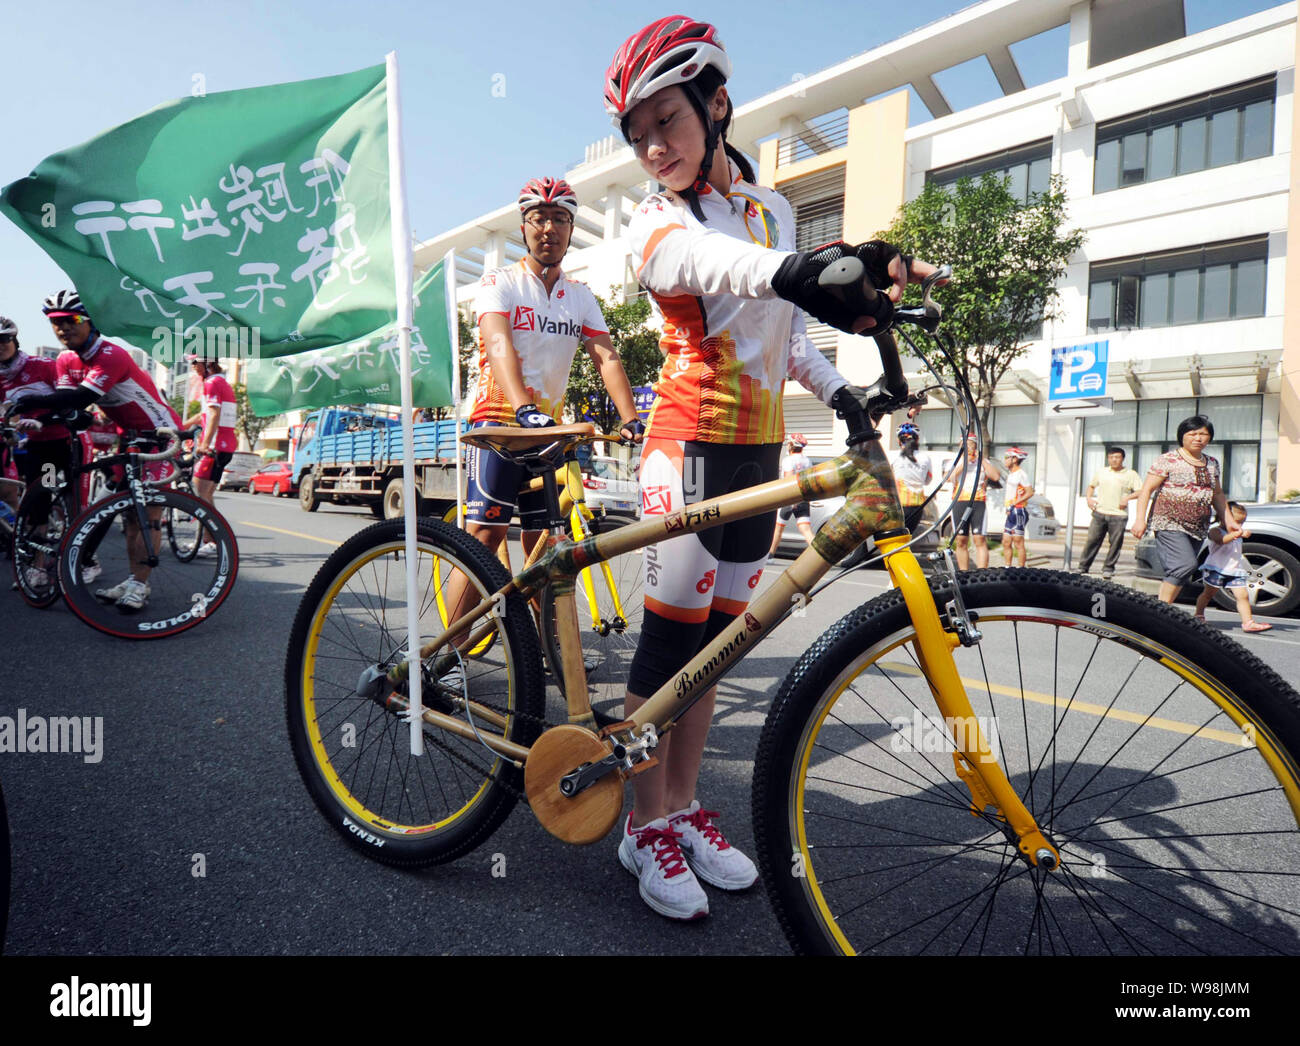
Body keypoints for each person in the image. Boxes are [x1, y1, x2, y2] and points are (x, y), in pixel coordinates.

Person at [604, 14, 945, 920]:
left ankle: (679, 805)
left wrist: (841, 391)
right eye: (637, 134)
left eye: (666, 121)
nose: (652, 147)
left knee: (719, 652)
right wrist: (798, 268)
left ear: (717, 105)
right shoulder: (656, 222)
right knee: (670, 644)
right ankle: (644, 826)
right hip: (685, 448)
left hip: (758, 450)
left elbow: (785, 337)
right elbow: (724, 266)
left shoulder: (771, 208)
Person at [442, 178, 645, 655]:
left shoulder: (580, 296)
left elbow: (607, 358)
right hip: (497, 424)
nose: (548, 228)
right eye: (539, 218)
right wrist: (523, 407)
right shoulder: (501, 283)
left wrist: (631, 417)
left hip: (547, 433)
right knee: (486, 535)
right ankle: (447, 654)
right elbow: (497, 346)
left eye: (559, 219)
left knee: (545, 546)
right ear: (524, 226)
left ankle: (553, 654)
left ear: (572, 228)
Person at [12, 291, 182, 610]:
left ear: (90, 322)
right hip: (128, 437)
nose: (63, 329)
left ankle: (140, 586)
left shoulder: (110, 354)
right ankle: (132, 580)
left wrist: (27, 402)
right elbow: (67, 409)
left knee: (146, 514)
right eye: (55, 323)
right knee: (126, 514)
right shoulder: (65, 360)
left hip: (160, 434)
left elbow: (77, 399)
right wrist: (39, 421)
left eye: (71, 320)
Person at [0, 314, 76, 589]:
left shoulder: (43, 366)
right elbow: (5, 416)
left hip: (63, 440)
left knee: (73, 503)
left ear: (15, 340)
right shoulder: (1, 379)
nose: (0, 345)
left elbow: (71, 401)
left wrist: (47, 420)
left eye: (5, 339)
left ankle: (85, 560)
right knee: (38, 504)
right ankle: (38, 567)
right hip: (35, 447)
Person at [1131, 414, 1227, 605]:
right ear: (1182, 435)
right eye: (1193, 433)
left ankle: (1162, 610)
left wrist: (1229, 521)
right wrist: (1139, 519)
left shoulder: (1212, 463)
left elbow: (1217, 494)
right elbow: (1147, 490)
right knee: (1185, 565)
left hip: (1198, 525)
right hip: (1168, 521)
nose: (1198, 438)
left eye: (1203, 434)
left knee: (1182, 571)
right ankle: (1161, 611)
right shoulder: (1168, 459)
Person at [182, 353, 238, 554]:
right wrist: (181, 426)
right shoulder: (221, 382)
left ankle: (213, 540)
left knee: (198, 495)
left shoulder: (212, 383)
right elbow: (204, 414)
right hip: (225, 446)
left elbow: (213, 414)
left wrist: (204, 444)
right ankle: (210, 541)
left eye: (195, 363)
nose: (193, 367)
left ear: (208, 363)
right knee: (206, 496)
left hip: (214, 447)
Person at [1194, 501, 1271, 632]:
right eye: (1237, 522)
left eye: (1242, 522)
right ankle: (1199, 615)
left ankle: (1248, 622)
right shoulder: (1215, 531)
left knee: (1243, 596)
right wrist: (1237, 534)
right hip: (1217, 568)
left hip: (1235, 570)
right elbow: (1221, 541)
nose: (1239, 525)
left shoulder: (1236, 532)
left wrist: (1238, 533)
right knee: (1208, 594)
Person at [1077, 446, 1141, 580]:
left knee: (1115, 543)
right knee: (1092, 540)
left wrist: (1127, 498)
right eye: (1111, 457)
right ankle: (1083, 566)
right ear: (1108, 458)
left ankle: (1108, 568)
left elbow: (1140, 491)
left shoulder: (1131, 474)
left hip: (1119, 515)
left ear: (1123, 459)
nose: (1114, 460)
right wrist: (1089, 499)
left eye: (1117, 457)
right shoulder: (1102, 472)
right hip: (1100, 512)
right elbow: (1091, 486)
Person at [946, 433, 1001, 570]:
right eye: (965, 444)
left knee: (979, 539)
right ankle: (963, 573)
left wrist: (980, 459)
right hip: (959, 501)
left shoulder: (983, 461)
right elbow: (949, 478)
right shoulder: (955, 460)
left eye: (971, 444)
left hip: (978, 502)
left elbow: (995, 476)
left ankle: (982, 572)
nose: (968, 447)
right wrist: (964, 462)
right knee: (961, 540)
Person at [767, 433, 813, 557]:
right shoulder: (807, 460)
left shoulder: (788, 460)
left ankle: (770, 555)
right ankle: (817, 554)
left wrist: (791, 500)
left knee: (778, 528)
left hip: (789, 498)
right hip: (803, 497)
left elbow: (788, 480)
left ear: (791, 445)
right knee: (806, 529)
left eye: (789, 443)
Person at [892, 421, 932, 532]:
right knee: (907, 538)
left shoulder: (893, 456)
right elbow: (928, 480)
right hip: (917, 505)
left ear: (898, 440)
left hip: (898, 504)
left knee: (894, 538)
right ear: (917, 439)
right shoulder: (925, 458)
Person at [999, 447, 1034, 568]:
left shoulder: (1021, 474)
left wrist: (1015, 502)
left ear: (1014, 459)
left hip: (1019, 510)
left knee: (1018, 542)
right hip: (1010, 511)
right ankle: (1007, 567)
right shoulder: (1011, 474)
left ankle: (1021, 568)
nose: (1004, 460)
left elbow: (1030, 492)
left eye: (1006, 457)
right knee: (1006, 541)